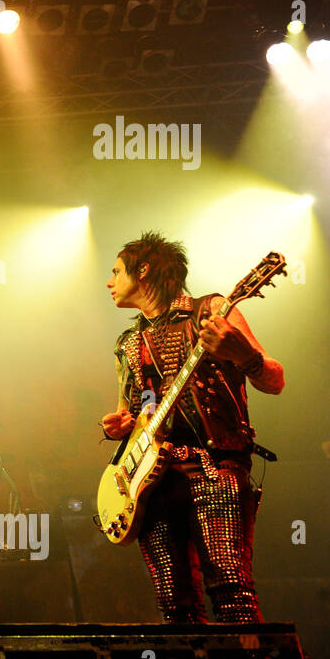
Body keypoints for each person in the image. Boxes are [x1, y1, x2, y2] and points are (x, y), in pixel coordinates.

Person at [101, 231, 282, 623]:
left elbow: (275, 379)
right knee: (174, 609)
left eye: (116, 271)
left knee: (232, 592)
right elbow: (132, 414)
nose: (110, 281)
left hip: (213, 467)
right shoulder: (128, 342)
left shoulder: (212, 310)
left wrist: (244, 355)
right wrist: (121, 424)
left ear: (143, 270)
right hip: (153, 482)